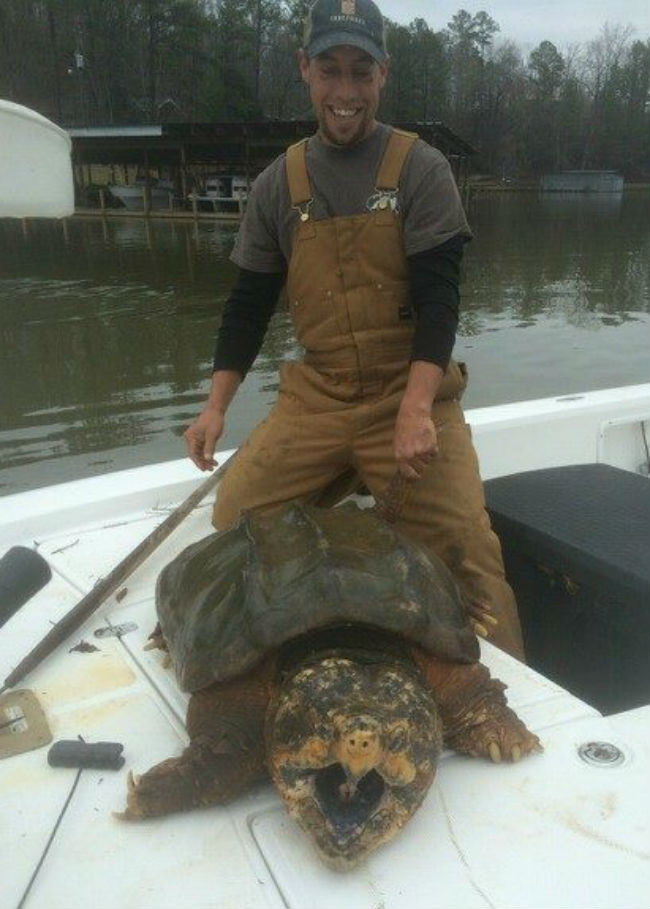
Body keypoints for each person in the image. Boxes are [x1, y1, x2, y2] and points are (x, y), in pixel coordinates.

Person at [184, 0, 525, 660]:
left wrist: (417, 408)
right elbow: (247, 308)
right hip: (320, 396)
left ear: (382, 76)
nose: (345, 92)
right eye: (331, 70)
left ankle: (496, 696)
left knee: (471, 552)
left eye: (360, 72)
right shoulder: (275, 186)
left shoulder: (423, 169)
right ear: (305, 70)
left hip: (411, 392)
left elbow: (440, 302)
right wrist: (214, 407)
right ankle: (337, 587)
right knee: (234, 521)